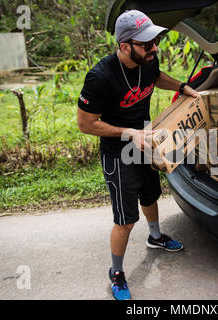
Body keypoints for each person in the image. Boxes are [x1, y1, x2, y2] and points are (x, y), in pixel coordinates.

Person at [77, 10, 198, 300]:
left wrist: (182, 87)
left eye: (154, 41)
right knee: (125, 219)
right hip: (118, 154)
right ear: (124, 46)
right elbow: (85, 124)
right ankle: (116, 272)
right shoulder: (100, 77)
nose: (154, 47)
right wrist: (129, 133)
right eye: (146, 43)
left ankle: (156, 237)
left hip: (145, 144)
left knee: (151, 196)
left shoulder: (148, 61)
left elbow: (157, 77)